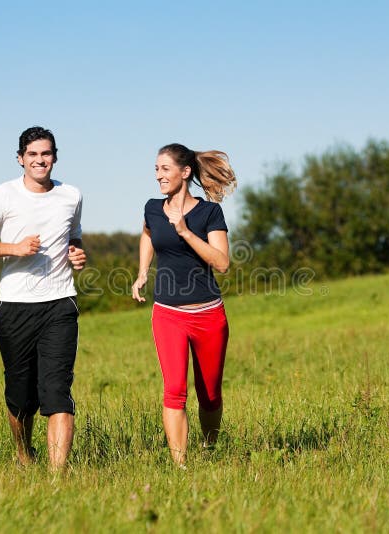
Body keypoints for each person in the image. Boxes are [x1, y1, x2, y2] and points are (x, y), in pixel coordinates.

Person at [0, 126, 86, 470]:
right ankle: (23, 454)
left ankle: (57, 478)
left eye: (45, 153)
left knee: (57, 392)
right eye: (32, 154)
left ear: (55, 157)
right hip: (15, 307)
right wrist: (14, 248)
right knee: (20, 396)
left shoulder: (71, 195)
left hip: (60, 303)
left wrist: (77, 253)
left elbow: (73, 238)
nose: (39, 160)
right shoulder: (3, 195)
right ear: (20, 159)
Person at [132, 143, 237, 466]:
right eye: (156, 169)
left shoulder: (208, 213)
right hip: (168, 314)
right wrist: (142, 273)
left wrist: (185, 231)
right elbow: (148, 235)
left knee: (209, 395)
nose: (158, 175)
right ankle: (180, 466)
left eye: (165, 169)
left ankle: (210, 450)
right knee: (174, 390)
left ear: (185, 172)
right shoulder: (152, 207)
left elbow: (222, 263)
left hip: (208, 315)